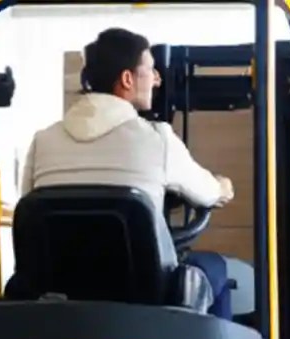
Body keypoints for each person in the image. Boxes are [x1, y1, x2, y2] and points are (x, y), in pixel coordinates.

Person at [19, 27, 237, 319]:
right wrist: (222, 185)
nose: (157, 78)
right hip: (144, 297)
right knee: (214, 270)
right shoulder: (157, 139)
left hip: (59, 294)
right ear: (126, 79)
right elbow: (207, 192)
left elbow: (29, 212)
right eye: (150, 70)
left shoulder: (42, 141)